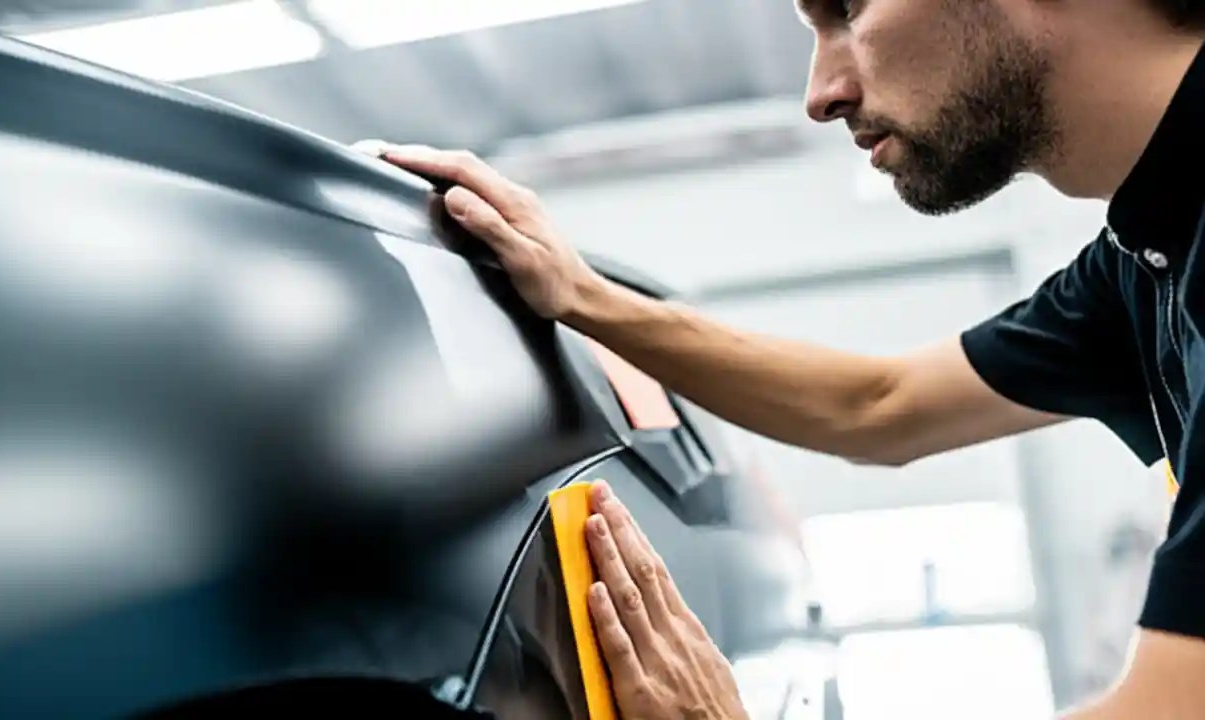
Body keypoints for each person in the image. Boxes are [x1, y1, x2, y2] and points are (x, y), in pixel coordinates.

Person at [358, 0, 1205, 716]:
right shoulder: (1145, 258)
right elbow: (878, 404)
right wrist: (581, 297)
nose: (821, 92)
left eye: (848, 8)